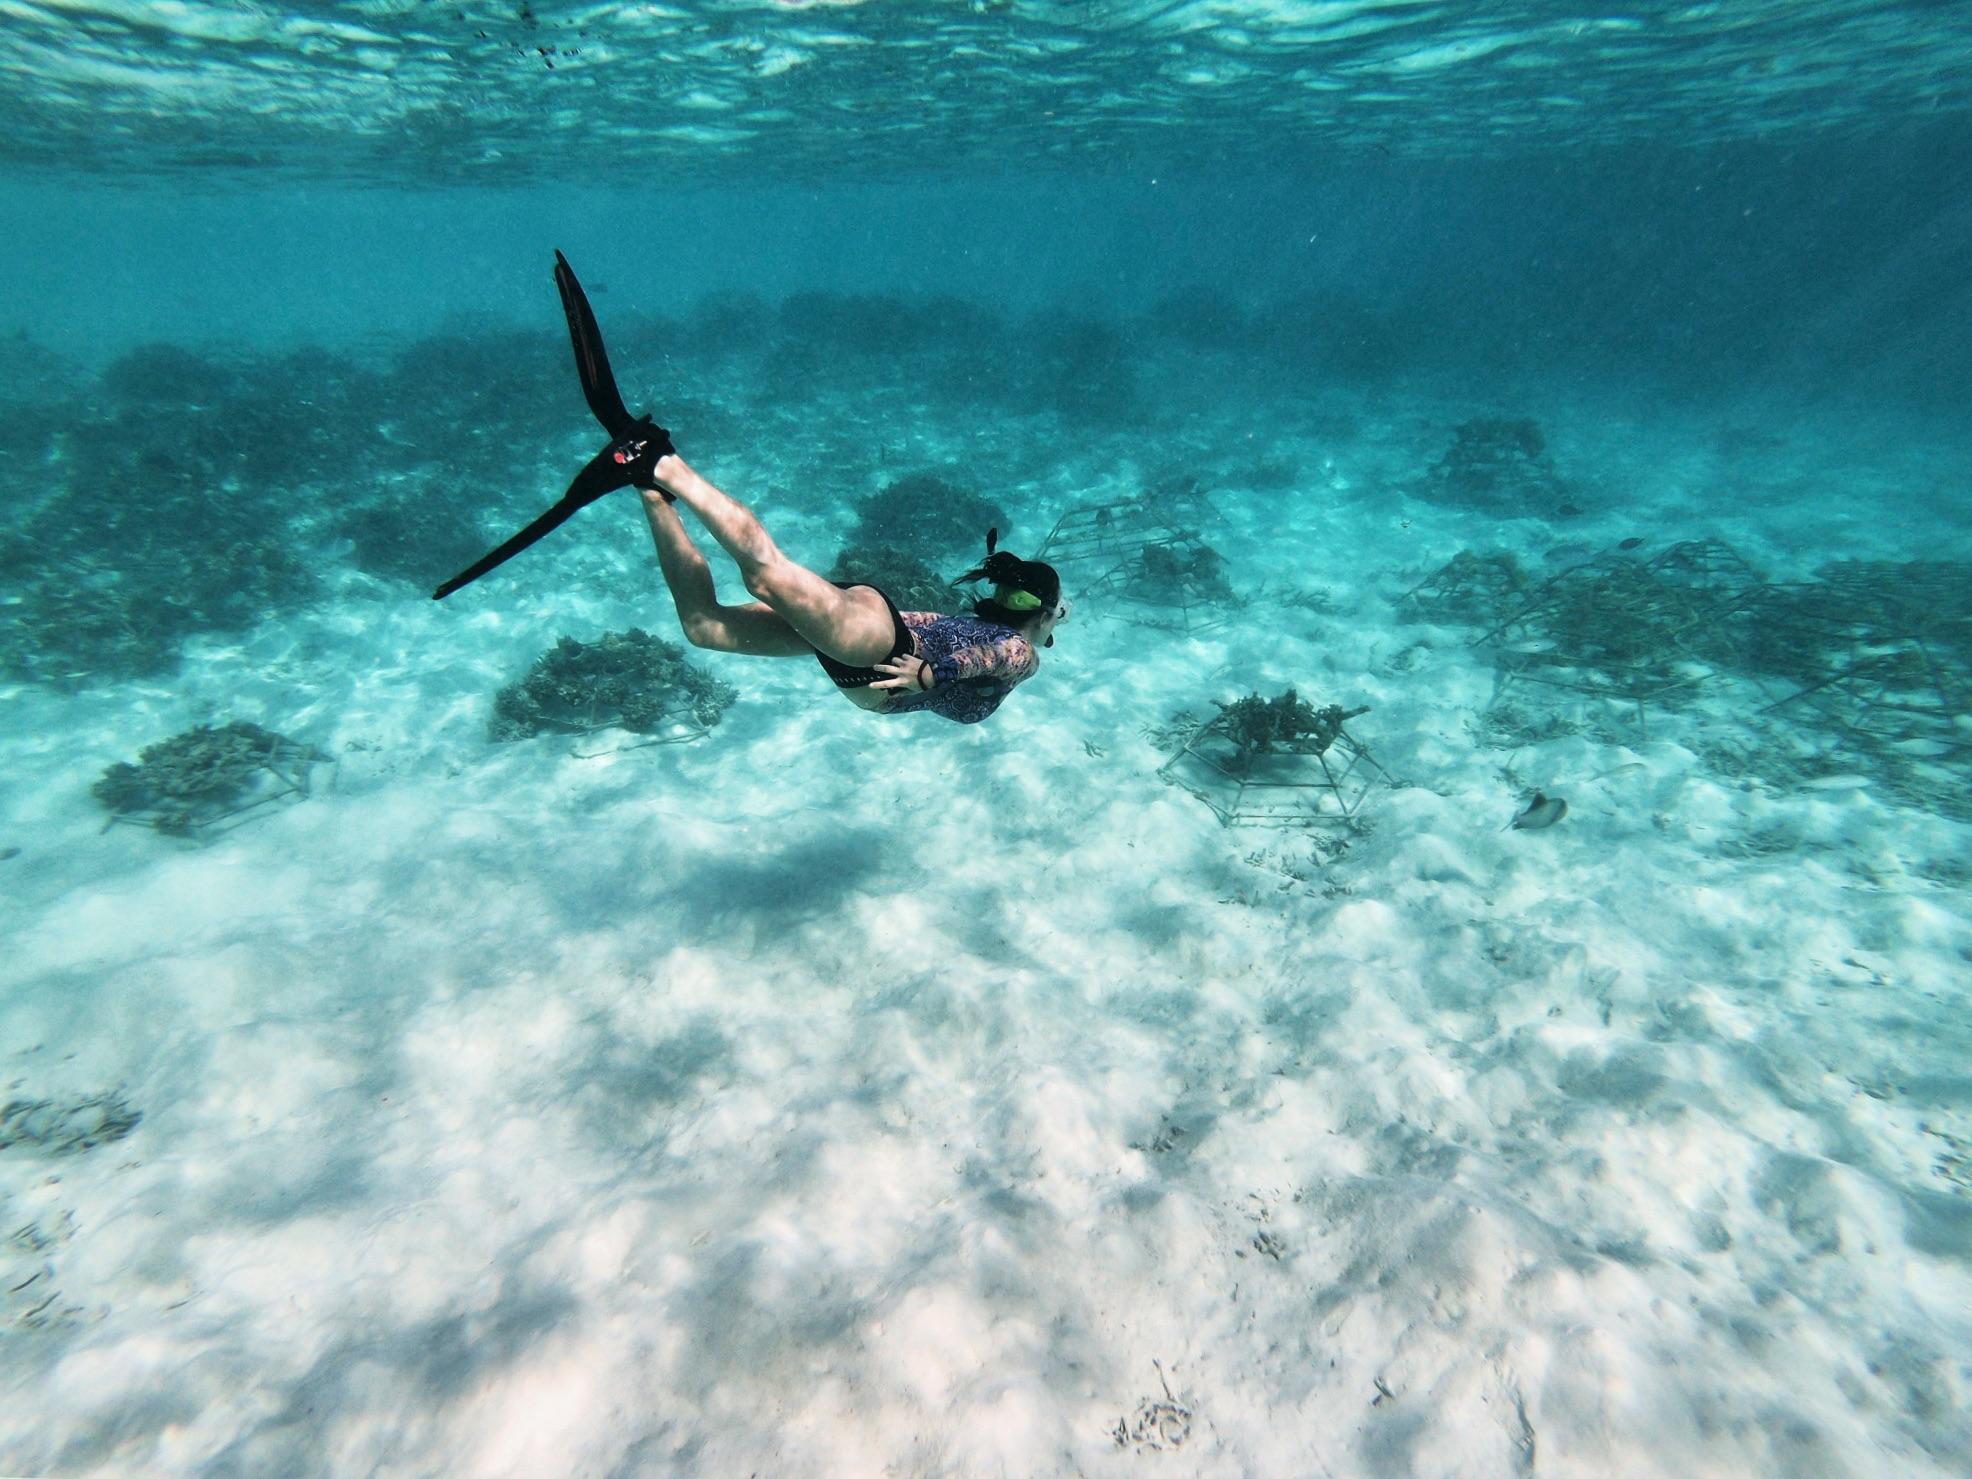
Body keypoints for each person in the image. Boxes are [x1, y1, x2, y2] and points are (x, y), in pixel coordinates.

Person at [637, 455, 1065, 725]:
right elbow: (994, 656)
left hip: (872, 632)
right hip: (874, 654)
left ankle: (652, 492)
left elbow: (925, 623)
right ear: (1041, 615)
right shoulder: (1022, 655)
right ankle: (663, 463)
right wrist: (933, 674)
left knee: (705, 626)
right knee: (764, 576)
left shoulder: (967, 625)